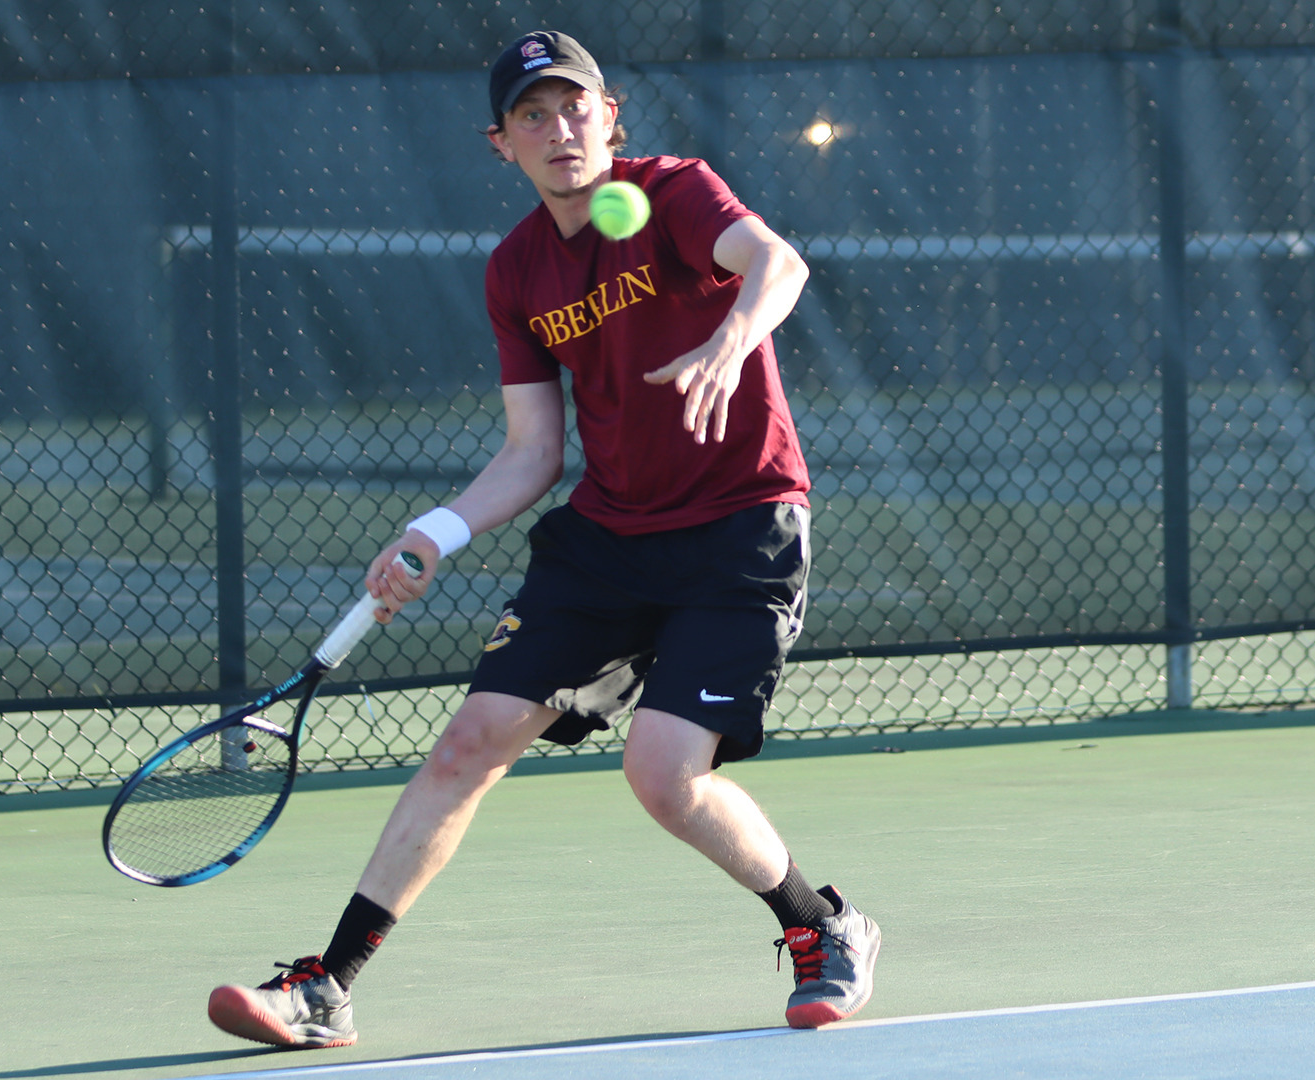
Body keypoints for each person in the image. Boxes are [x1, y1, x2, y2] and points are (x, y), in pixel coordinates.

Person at [206, 30, 879, 1050]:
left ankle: (823, 928)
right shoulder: (517, 272)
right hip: (608, 538)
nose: (559, 129)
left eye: (576, 108)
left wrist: (728, 343)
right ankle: (325, 989)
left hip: (741, 526)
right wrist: (434, 531)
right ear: (502, 145)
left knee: (662, 775)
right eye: (534, 116)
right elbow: (531, 453)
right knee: (471, 740)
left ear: (611, 118)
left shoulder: (678, 193)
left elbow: (776, 263)